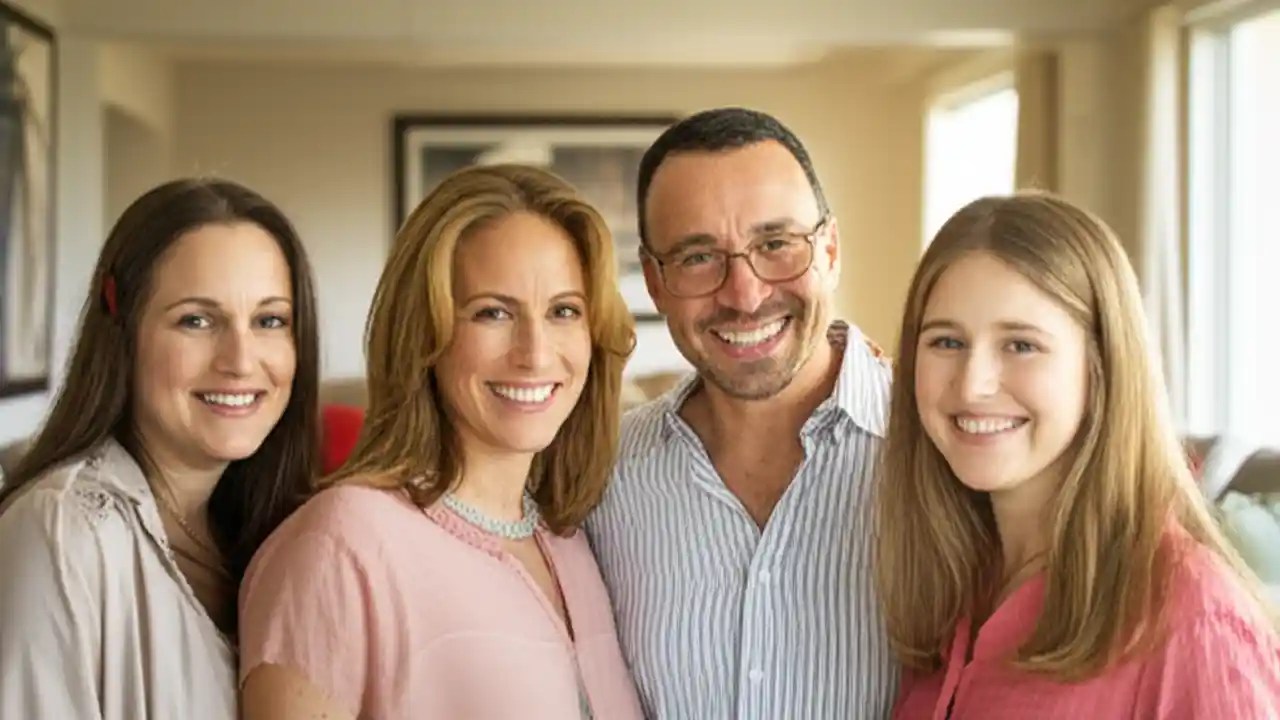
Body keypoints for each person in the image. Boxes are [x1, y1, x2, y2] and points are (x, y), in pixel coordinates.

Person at [238, 164, 644, 720]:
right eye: (492, 313)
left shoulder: (572, 541)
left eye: (564, 311)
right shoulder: (340, 545)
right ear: (424, 332)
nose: (535, 352)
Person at [876, 192, 1280, 718]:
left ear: (1101, 366)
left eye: (1021, 345)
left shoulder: (1193, 620)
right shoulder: (948, 588)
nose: (973, 385)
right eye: (946, 342)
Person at [584, 107, 898, 718]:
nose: (745, 295)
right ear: (654, 281)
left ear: (830, 250)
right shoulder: (603, 479)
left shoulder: (940, 447)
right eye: (698, 257)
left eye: (775, 244)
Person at [0, 177, 321, 719]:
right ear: (125, 333)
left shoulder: (281, 534)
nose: (241, 361)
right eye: (197, 320)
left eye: (269, 320)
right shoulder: (61, 534)